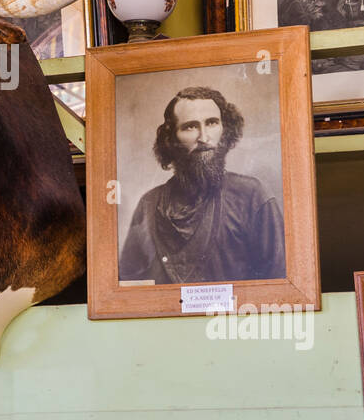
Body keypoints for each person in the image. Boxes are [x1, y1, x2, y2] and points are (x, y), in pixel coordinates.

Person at [119, 87, 285, 284]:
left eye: (212, 123)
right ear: (171, 139)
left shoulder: (252, 196)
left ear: (225, 129)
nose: (204, 138)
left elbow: (279, 283)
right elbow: (131, 285)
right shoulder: (149, 204)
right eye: (190, 127)